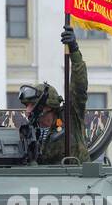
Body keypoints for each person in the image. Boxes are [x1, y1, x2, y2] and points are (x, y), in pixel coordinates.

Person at [17, 26, 89, 164]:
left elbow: (79, 87)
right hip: (45, 183)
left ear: (48, 106)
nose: (27, 110)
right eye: (26, 105)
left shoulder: (70, 117)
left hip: (76, 179)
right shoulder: (28, 131)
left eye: (32, 105)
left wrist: (74, 50)